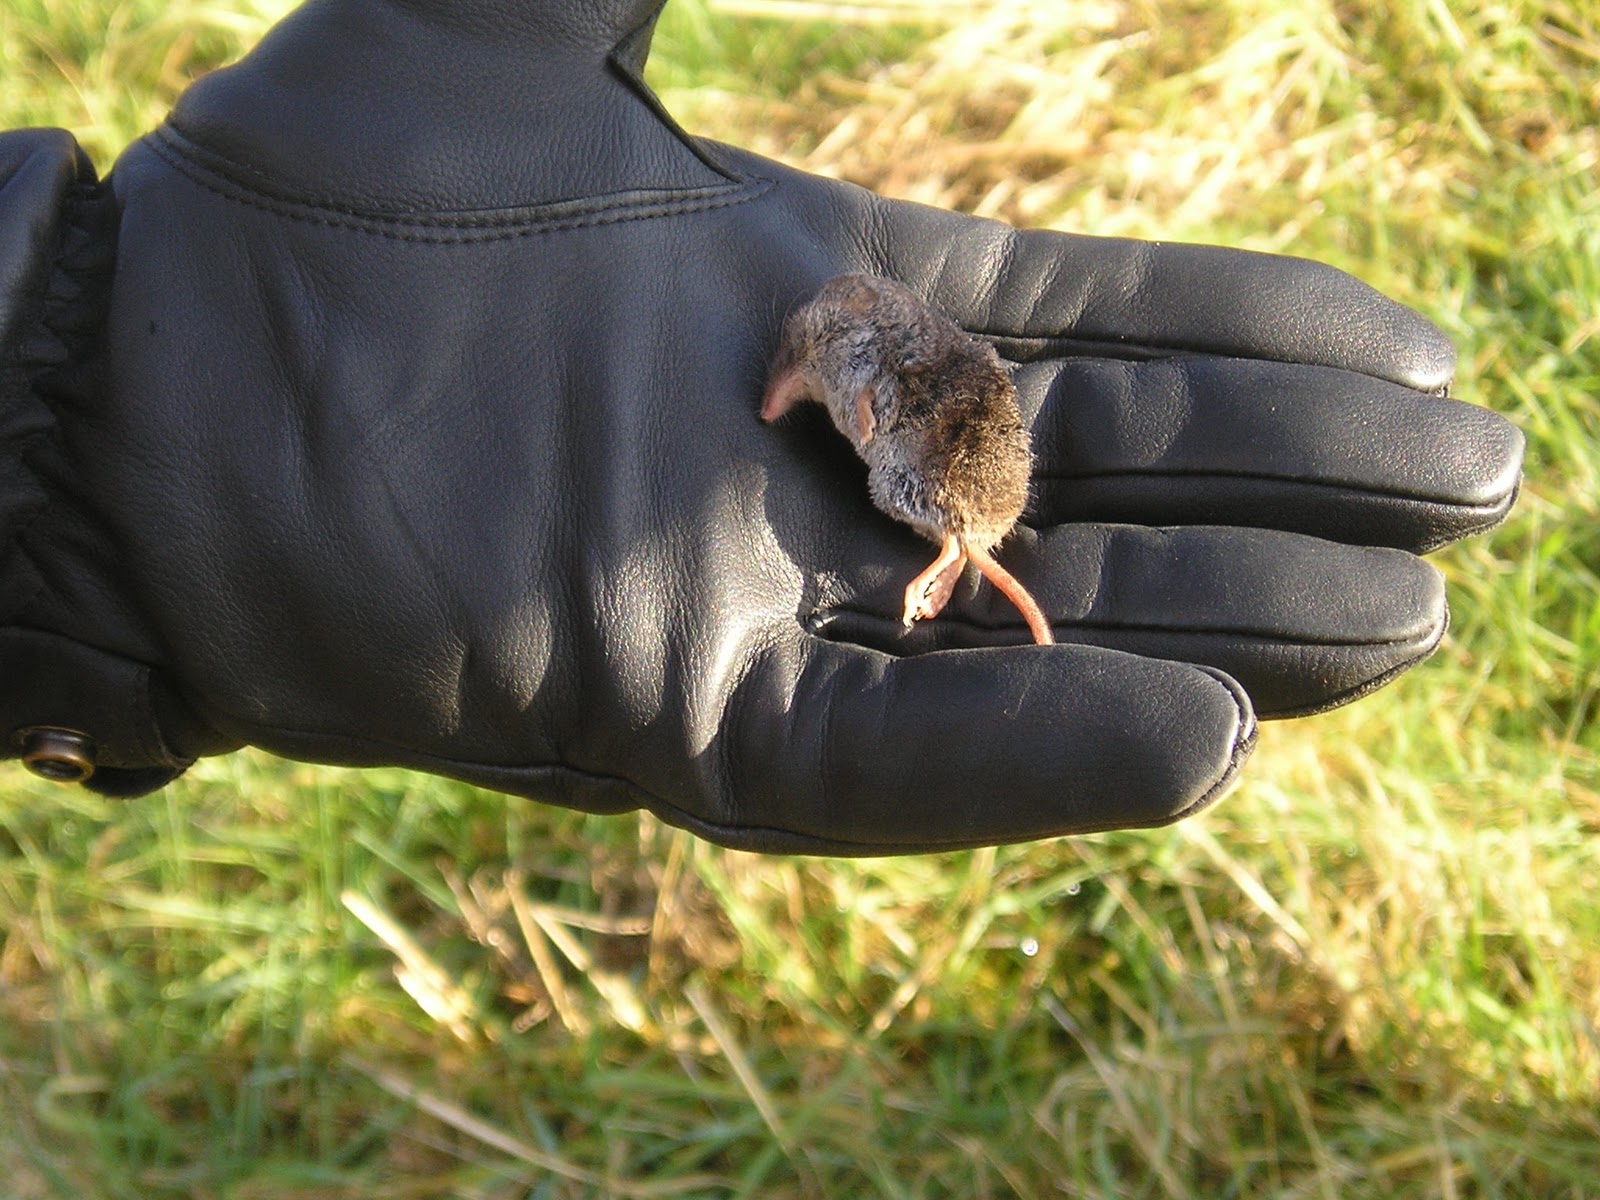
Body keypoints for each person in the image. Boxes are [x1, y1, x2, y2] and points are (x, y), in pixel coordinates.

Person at [0, 0, 1522, 854]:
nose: (784, 408)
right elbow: (809, 372)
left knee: (961, 497)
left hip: (933, 437)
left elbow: (823, 383)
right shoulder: (845, 366)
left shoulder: (889, 410)